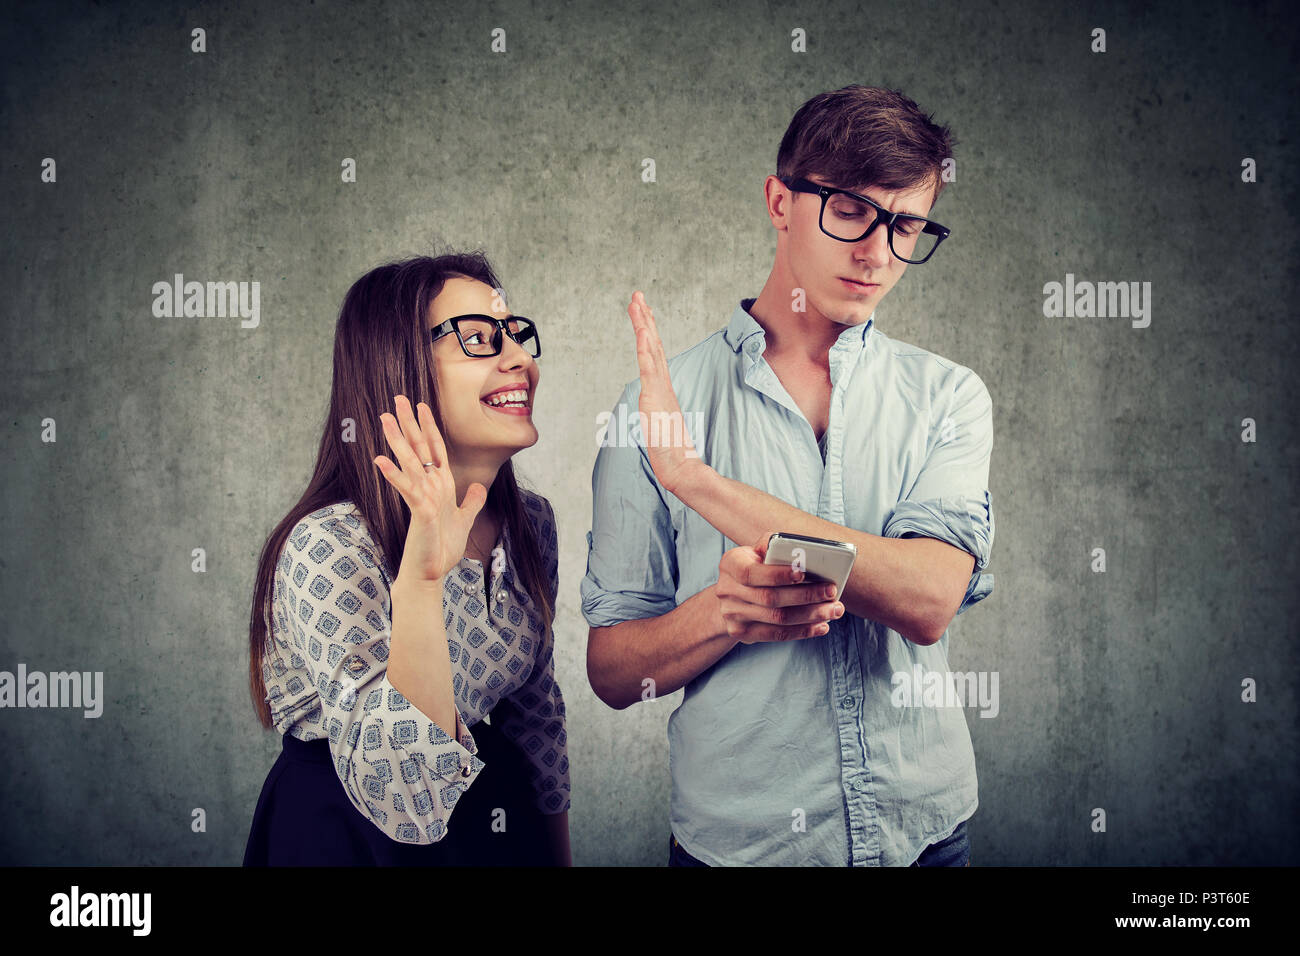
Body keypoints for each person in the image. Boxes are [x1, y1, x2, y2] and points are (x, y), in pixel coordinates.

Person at [582, 86, 993, 867]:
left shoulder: (950, 396)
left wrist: (698, 482)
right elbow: (613, 673)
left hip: (924, 839)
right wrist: (722, 613)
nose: (877, 254)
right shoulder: (652, 409)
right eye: (851, 211)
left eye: (906, 226)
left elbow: (928, 600)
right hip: (742, 849)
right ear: (780, 201)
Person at [243, 252, 571, 866]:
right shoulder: (328, 544)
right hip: (348, 832)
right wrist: (421, 581)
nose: (520, 360)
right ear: (398, 366)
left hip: (485, 822)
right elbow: (401, 798)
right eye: (479, 338)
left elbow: (536, 718)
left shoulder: (532, 524)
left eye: (515, 334)